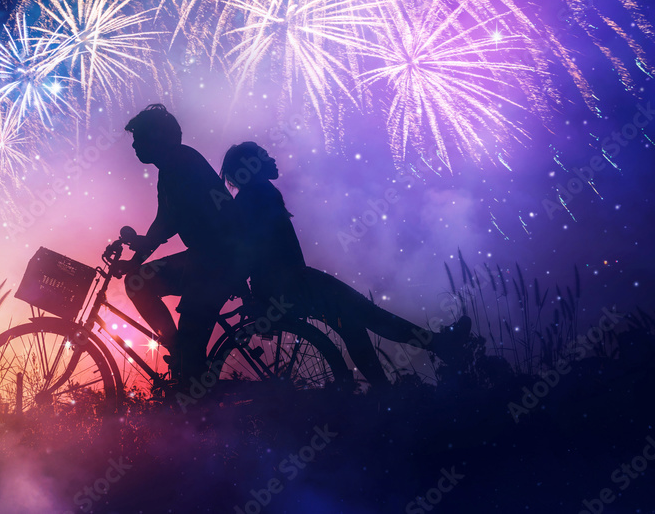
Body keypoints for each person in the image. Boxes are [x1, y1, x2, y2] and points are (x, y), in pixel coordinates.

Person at [220, 141, 471, 388]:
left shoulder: (255, 197)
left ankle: (388, 388)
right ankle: (433, 350)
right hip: (290, 285)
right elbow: (250, 252)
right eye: (265, 156)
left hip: (286, 285)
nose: (273, 160)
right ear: (252, 167)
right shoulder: (258, 198)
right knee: (367, 314)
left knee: (353, 324)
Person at [110, 105, 246, 386]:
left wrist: (137, 256)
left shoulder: (178, 164)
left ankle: (189, 377)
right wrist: (137, 258)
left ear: (157, 138)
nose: (134, 145)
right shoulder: (175, 165)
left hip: (215, 261)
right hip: (211, 258)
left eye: (140, 138)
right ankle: (183, 359)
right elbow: (165, 222)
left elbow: (167, 224)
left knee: (145, 289)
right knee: (139, 282)